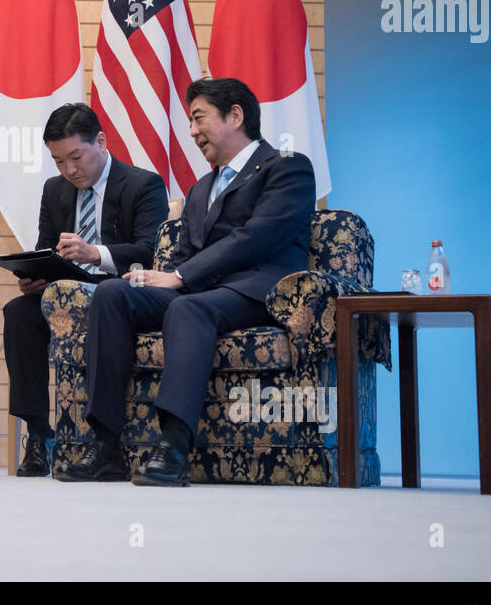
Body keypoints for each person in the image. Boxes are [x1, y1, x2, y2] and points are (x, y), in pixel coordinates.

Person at [54, 77, 316, 486]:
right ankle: (106, 447)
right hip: (201, 289)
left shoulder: (288, 166)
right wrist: (152, 276)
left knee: (186, 306)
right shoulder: (202, 188)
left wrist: (179, 277)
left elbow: (258, 237)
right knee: (112, 294)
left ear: (235, 115)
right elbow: (185, 254)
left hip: (256, 291)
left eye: (199, 118)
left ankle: (174, 446)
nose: (191, 131)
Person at [3, 103, 168, 478]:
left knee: (104, 301)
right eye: (59, 161)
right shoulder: (55, 190)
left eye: (76, 157)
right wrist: (34, 276)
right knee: (19, 312)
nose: (70, 170)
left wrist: (96, 254)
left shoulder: (143, 184)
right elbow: (46, 249)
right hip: (65, 296)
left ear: (101, 141)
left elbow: (150, 252)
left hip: (118, 293)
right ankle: (38, 436)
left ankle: (103, 442)